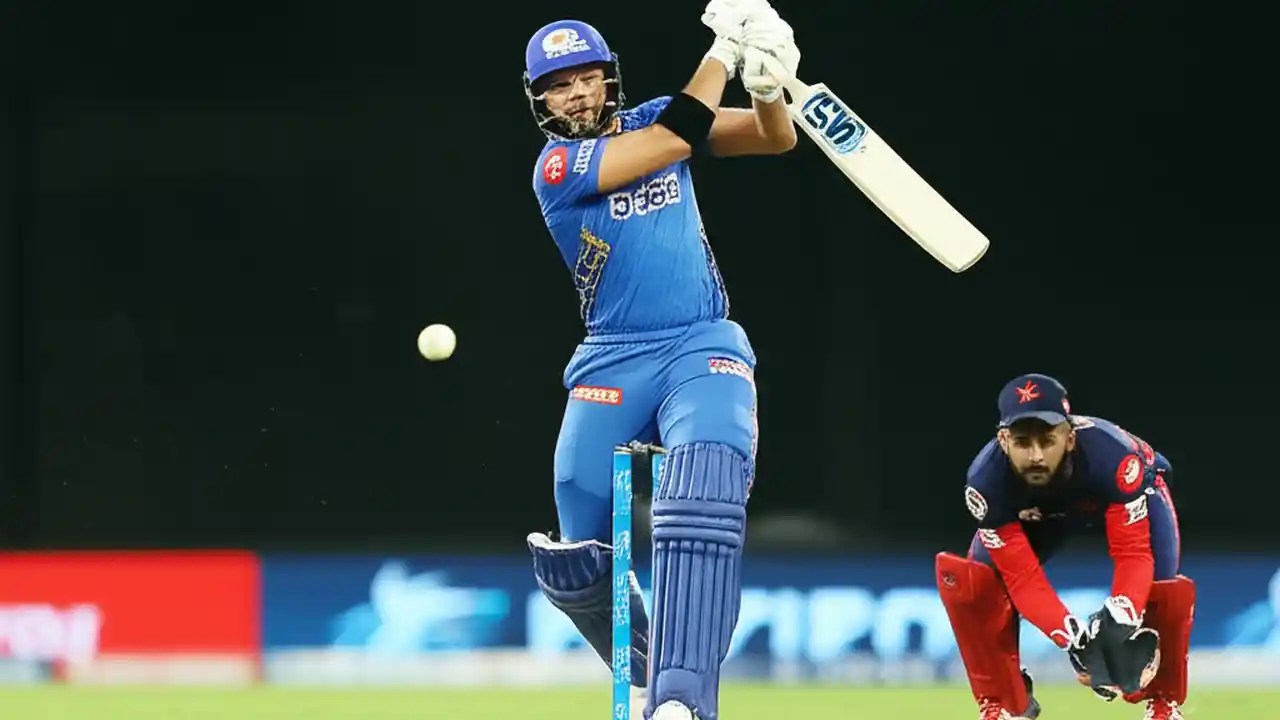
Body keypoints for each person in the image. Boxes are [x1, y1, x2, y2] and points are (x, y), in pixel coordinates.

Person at [518, 2, 799, 719]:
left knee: (700, 490)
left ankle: (682, 697)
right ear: (540, 100)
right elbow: (679, 136)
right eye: (559, 85)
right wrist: (724, 51)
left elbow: (777, 140)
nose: (577, 94)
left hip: (700, 342)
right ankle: (645, 663)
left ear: (609, 80)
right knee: (575, 544)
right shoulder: (557, 168)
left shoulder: (651, 117)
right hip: (612, 358)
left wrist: (766, 83)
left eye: (586, 78)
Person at [935, 373, 1196, 720]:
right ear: (1002, 440)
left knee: (1163, 590)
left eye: (1048, 440)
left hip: (1125, 493)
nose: (1036, 455)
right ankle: (1004, 702)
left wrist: (1123, 613)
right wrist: (1070, 636)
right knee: (974, 584)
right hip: (1043, 516)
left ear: (1070, 438)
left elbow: (1133, 554)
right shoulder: (986, 484)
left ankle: (1163, 705)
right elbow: (1022, 577)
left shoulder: (1114, 458)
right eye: (1023, 442)